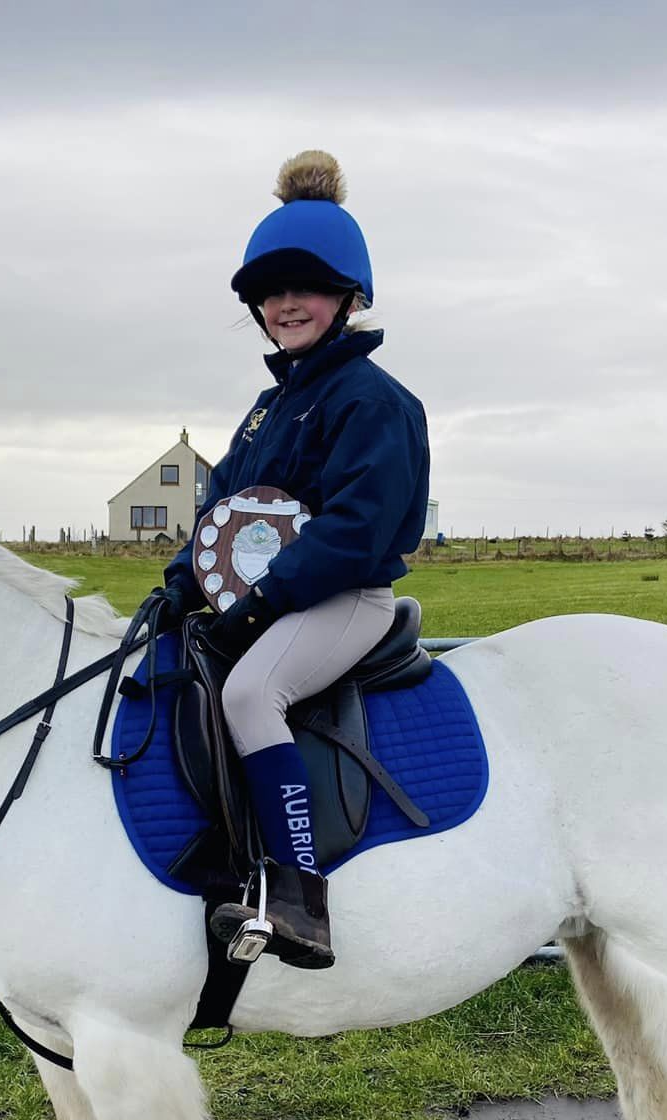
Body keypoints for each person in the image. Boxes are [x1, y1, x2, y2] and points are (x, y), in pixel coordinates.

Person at [156, 150, 432, 969]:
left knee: (249, 694)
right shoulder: (268, 409)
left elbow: (354, 529)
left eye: (304, 287)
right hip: (281, 601)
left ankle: (301, 896)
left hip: (344, 597)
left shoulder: (375, 402)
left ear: (348, 297)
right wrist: (181, 584)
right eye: (271, 293)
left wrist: (260, 601)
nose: (285, 304)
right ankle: (225, 850)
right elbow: (221, 511)